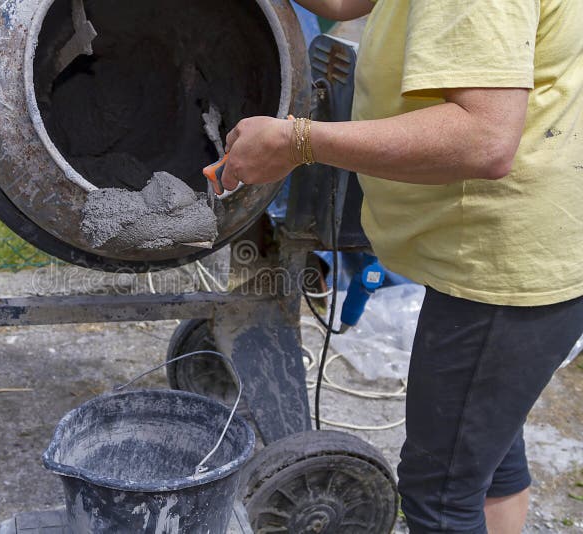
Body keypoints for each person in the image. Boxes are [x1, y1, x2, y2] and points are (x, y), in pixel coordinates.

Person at [220, 1, 583, 532]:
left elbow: (483, 137)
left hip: (502, 264)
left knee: (439, 494)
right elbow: (348, 3)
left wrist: (297, 141)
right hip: (507, 245)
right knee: (485, 447)